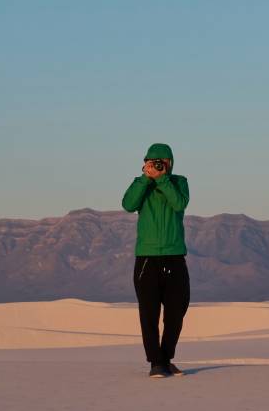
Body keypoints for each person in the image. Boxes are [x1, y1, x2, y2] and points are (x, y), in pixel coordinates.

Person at [121, 142, 191, 378]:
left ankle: (165, 358)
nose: (159, 165)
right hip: (147, 259)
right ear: (146, 163)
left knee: (176, 312)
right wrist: (145, 179)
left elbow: (179, 203)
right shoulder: (141, 184)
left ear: (170, 163)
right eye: (153, 161)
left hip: (174, 257)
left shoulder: (179, 182)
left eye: (162, 161)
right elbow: (128, 205)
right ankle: (155, 363)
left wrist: (162, 180)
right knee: (148, 313)